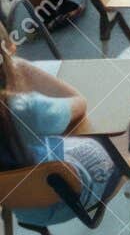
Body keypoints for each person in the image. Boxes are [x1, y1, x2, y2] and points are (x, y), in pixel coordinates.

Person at [0, 42, 119, 225]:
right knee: (115, 137)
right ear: (8, 49)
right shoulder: (28, 108)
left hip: (23, 211)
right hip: (69, 199)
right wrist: (23, 69)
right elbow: (80, 102)